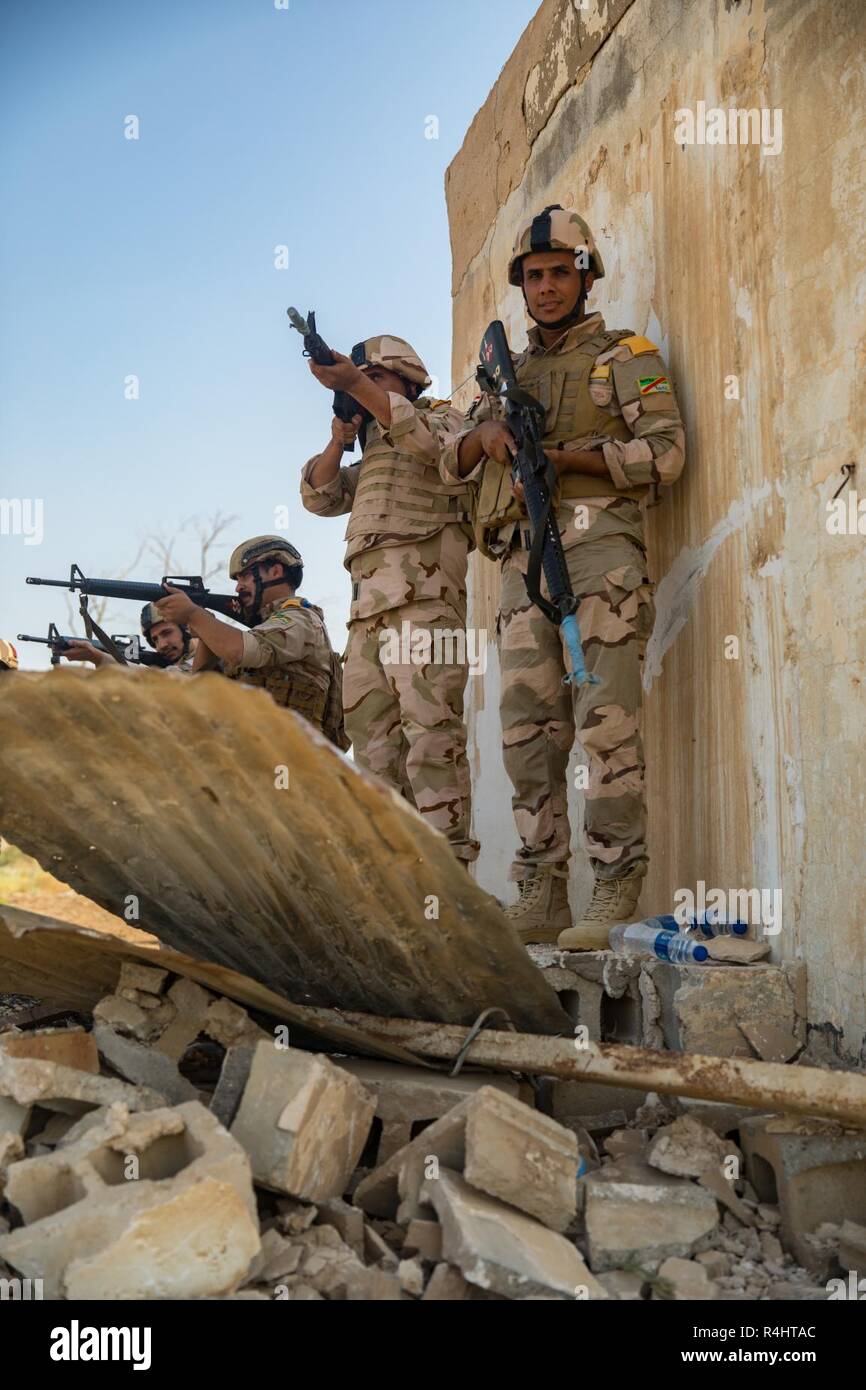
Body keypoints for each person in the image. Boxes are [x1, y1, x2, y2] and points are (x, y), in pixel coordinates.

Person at [446, 205, 685, 946]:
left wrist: (570, 460)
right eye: (533, 277)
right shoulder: (501, 379)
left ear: (584, 276)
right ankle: (543, 890)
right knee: (526, 735)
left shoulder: (625, 356)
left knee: (606, 723)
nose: (546, 288)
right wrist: (484, 440)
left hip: (598, 557)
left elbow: (667, 454)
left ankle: (615, 884)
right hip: (523, 568)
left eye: (558, 273)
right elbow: (447, 467)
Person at [300, 334, 479, 864]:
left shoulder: (444, 418)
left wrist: (356, 384)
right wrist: (340, 437)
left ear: (408, 380)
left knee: (432, 742)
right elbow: (318, 496)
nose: (365, 389)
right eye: (362, 379)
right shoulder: (375, 451)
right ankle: (397, 885)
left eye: (375, 378)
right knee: (375, 753)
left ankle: (448, 883)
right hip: (366, 618)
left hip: (427, 607)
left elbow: (438, 452)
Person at [154, 534, 347, 746]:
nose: (238, 587)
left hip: (294, 758)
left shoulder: (300, 618)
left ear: (275, 571)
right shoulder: (262, 628)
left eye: (244, 576)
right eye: (237, 580)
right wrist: (204, 626)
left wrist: (194, 615)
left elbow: (241, 650)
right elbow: (200, 686)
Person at [140, 603, 195, 671]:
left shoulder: (207, 655)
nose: (162, 645)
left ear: (186, 629)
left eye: (167, 633)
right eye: (155, 640)